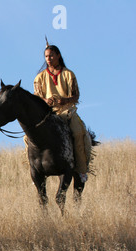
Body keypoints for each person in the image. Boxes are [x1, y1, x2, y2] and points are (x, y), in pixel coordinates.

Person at [33, 40, 91, 183]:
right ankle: (34, 170)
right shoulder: (39, 77)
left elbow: (76, 95)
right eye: (46, 56)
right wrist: (45, 101)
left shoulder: (68, 74)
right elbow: (37, 96)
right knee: (28, 138)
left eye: (51, 56)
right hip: (47, 113)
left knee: (78, 133)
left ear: (58, 56)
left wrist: (65, 100)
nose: (49, 59)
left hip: (66, 111)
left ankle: (81, 169)